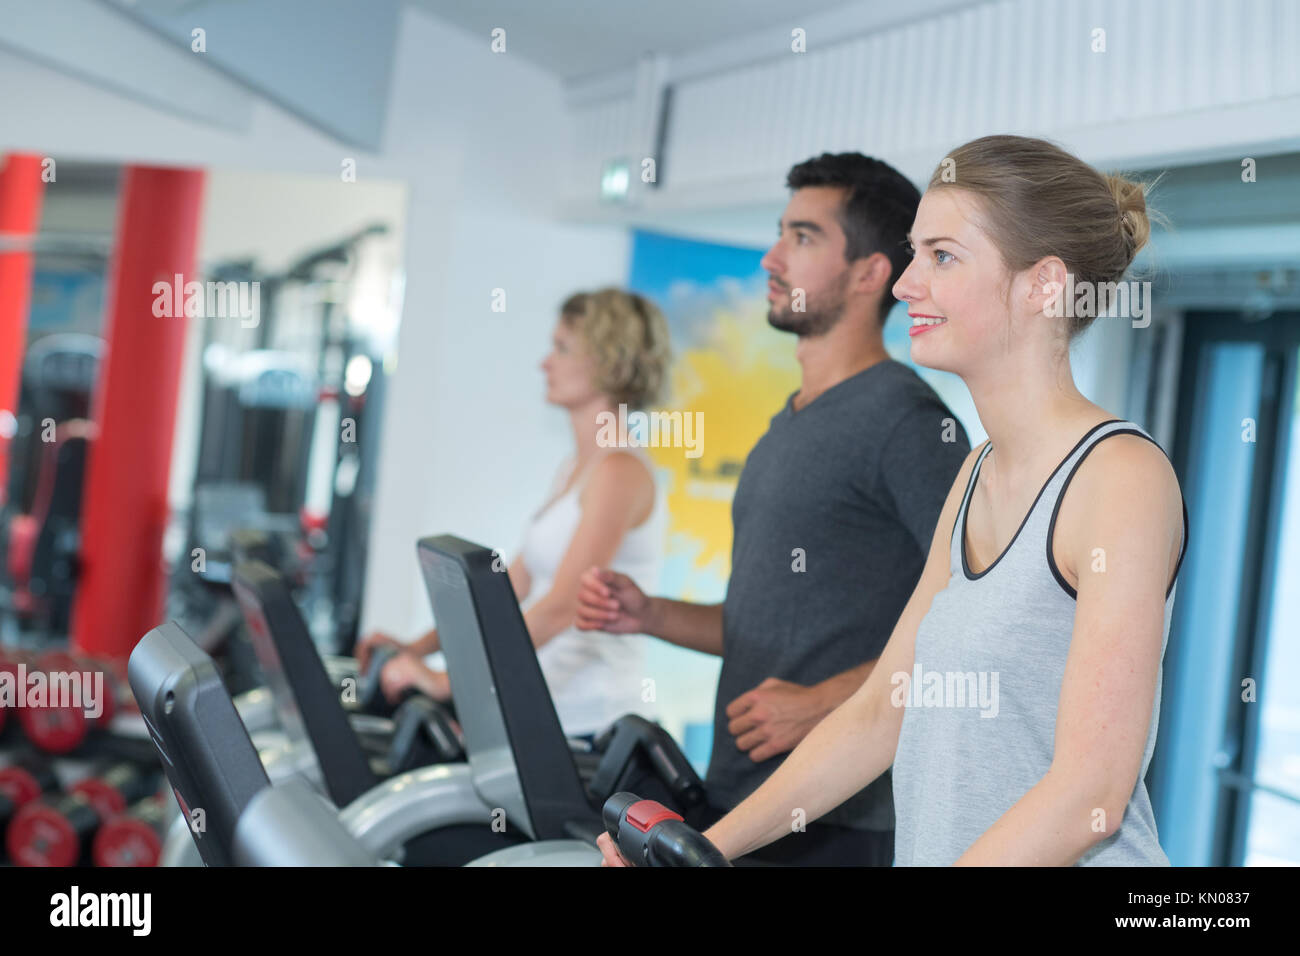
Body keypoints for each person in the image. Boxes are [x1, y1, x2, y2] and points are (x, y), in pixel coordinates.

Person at [598, 134, 1189, 867]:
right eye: (914, 254)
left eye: (942, 256)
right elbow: (883, 710)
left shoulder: (1120, 478)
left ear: (1042, 285)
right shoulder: (976, 474)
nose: (907, 284)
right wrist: (703, 850)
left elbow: (1091, 793)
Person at [577, 154, 970, 866]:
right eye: (780, 234)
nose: (772, 257)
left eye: (804, 237)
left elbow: (974, 621)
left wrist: (827, 701)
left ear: (871, 273)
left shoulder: (908, 424)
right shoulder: (789, 420)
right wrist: (651, 614)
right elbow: (772, 628)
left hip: (837, 823)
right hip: (745, 804)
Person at [356, 288, 672, 740]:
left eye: (562, 349)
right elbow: (510, 587)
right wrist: (419, 648)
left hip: (591, 724)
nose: (546, 362)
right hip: (545, 711)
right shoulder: (576, 469)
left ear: (609, 361)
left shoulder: (620, 472)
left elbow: (563, 606)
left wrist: (449, 683)